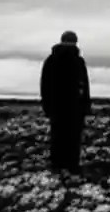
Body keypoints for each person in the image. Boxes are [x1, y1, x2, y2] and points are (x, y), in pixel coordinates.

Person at [39, 30, 91, 173]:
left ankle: (57, 165)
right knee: (73, 137)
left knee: (57, 136)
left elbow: (44, 85)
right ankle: (71, 165)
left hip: (56, 106)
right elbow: (84, 85)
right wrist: (86, 106)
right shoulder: (78, 61)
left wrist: (46, 105)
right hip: (75, 107)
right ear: (75, 42)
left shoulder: (51, 60)